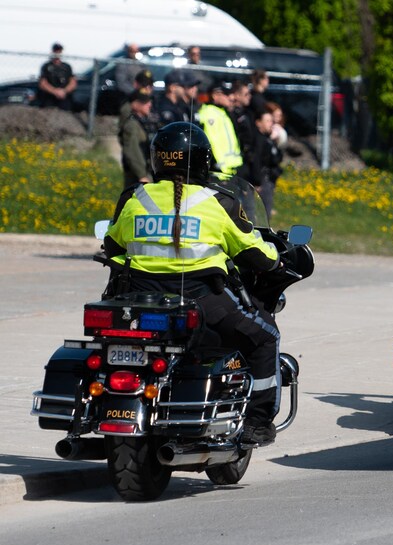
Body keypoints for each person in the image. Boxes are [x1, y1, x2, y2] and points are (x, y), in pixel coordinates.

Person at [102, 122, 282, 446]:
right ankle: (258, 422)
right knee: (266, 337)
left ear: (157, 159)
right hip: (202, 302)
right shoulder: (219, 202)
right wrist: (277, 257)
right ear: (203, 161)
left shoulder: (132, 198)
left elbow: (112, 245)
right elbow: (260, 255)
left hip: (137, 301)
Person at [196, 80, 243, 177]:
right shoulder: (210, 114)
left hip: (229, 170)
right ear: (215, 95)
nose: (232, 97)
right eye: (227, 94)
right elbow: (212, 141)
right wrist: (217, 166)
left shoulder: (221, 112)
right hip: (219, 171)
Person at [255, 102, 285, 221]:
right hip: (262, 178)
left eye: (271, 121)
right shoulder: (260, 140)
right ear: (258, 123)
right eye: (267, 121)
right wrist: (257, 180)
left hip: (270, 177)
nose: (271, 124)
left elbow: (276, 157)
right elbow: (259, 159)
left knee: (267, 207)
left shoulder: (269, 139)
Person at [119, 92, 154, 188]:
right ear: (135, 104)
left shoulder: (140, 122)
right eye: (144, 102)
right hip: (137, 176)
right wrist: (142, 175)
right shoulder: (131, 126)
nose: (149, 104)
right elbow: (132, 150)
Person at [34, 43, 77, 111]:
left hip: (64, 98)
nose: (57, 53)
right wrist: (55, 91)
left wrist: (64, 91)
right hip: (49, 99)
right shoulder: (46, 66)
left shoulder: (67, 67)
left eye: (59, 51)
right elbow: (42, 83)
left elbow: (73, 82)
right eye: (55, 51)